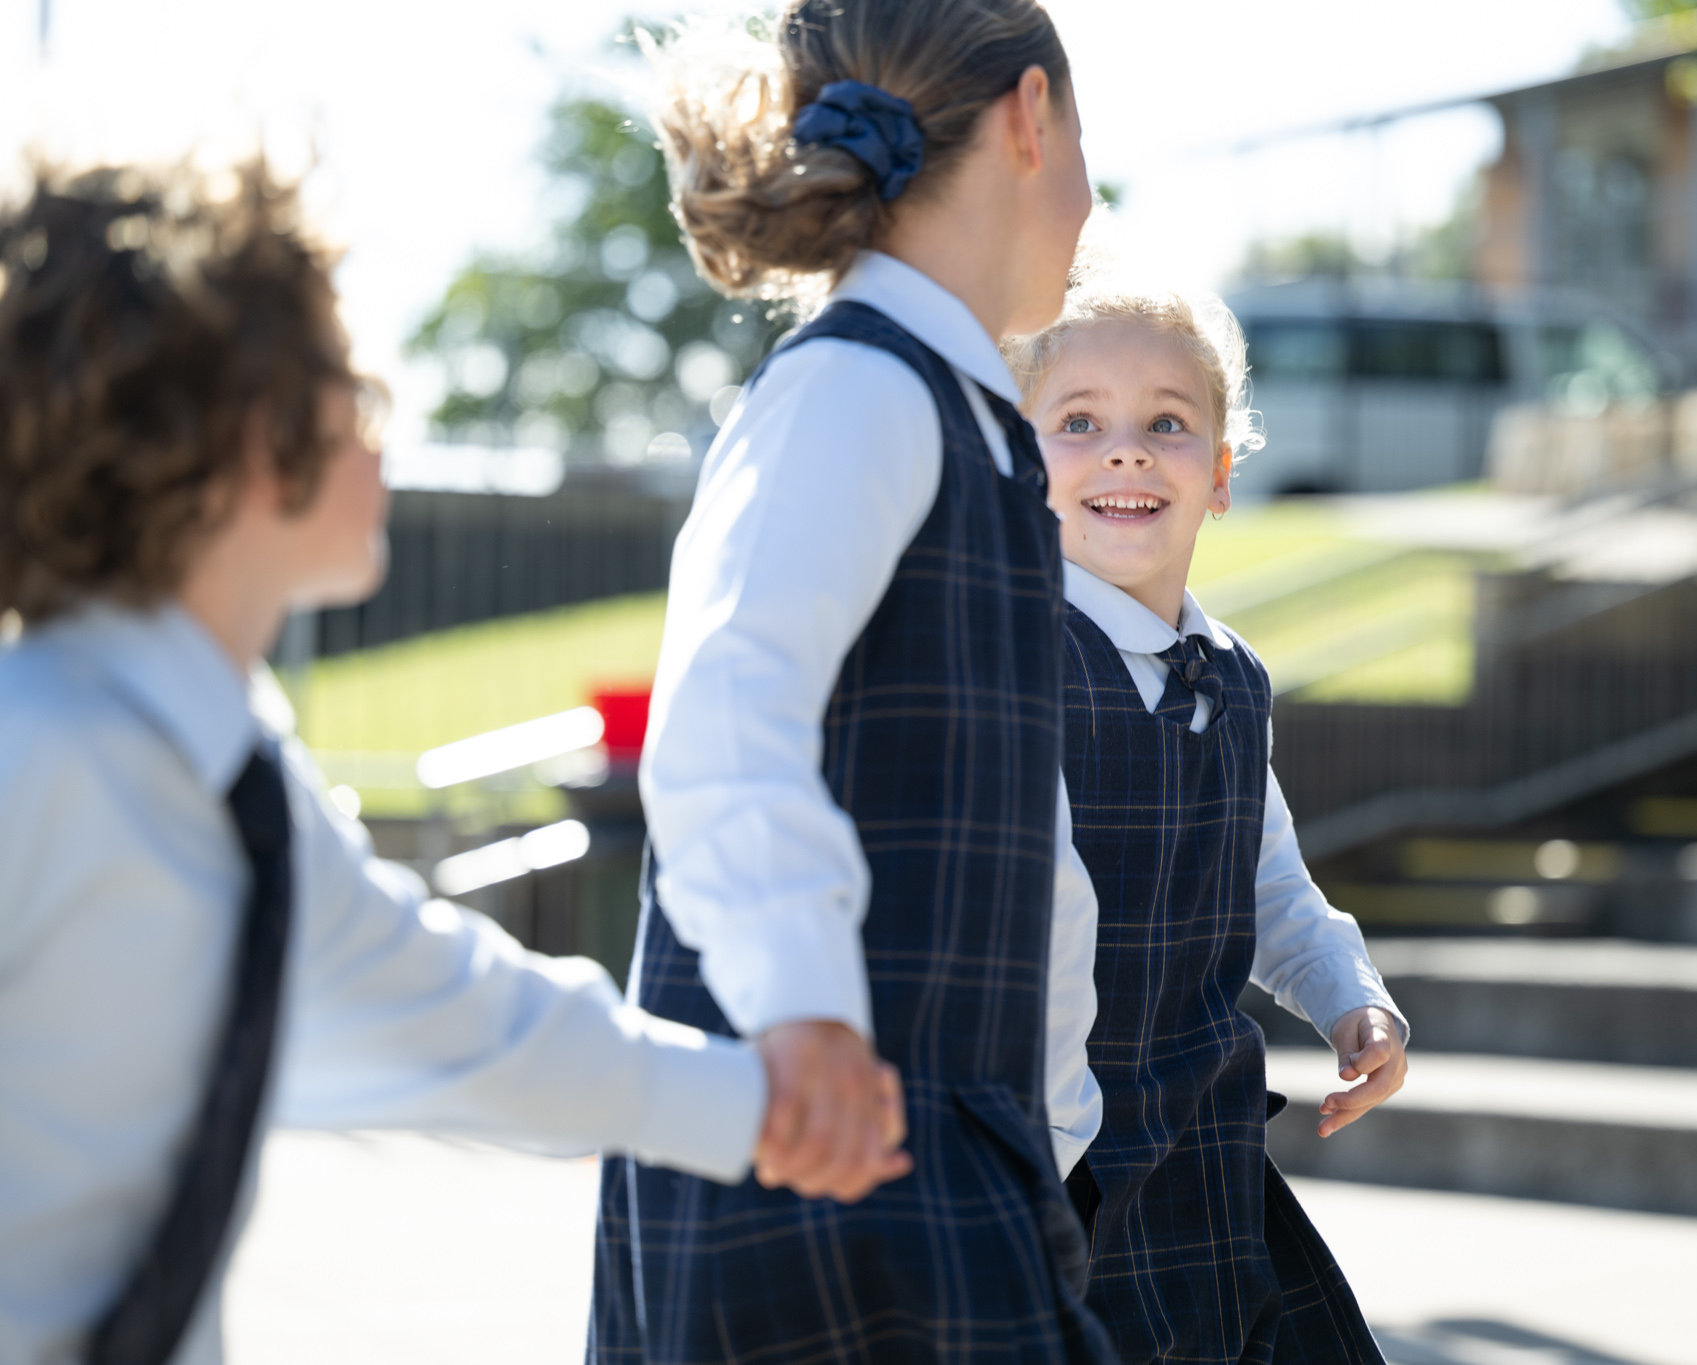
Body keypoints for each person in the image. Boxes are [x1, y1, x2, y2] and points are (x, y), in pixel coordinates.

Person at [0, 161, 775, 1365]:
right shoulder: (18, 756)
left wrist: (770, 1110)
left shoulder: (232, 782)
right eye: (353, 385)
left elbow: (465, 1018)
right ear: (246, 439)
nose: (382, 422)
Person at [592, 1, 1116, 1360]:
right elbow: (725, 721)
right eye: (1086, 142)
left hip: (937, 1152)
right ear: (1030, 117)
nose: (1092, 197)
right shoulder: (857, 390)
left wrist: (1051, 1120)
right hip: (824, 1150)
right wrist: (808, 1012)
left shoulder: (964, 420)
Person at [1003, 264, 1410, 1364]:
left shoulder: (1233, 677)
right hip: (1067, 1170)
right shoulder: (1007, 663)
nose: (1124, 450)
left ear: (1220, 474)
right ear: (1015, 463)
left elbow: (1269, 883)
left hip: (1210, 1157)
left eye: (1166, 423)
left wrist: (1346, 998)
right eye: (1077, 421)